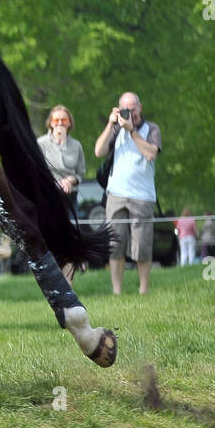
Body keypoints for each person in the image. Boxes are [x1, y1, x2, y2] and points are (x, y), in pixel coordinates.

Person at [94, 92, 161, 295]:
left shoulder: (152, 129)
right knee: (115, 244)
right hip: (116, 193)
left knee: (142, 246)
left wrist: (132, 131)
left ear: (140, 107)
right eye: (126, 109)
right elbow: (98, 151)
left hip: (142, 195)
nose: (130, 112)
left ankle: (143, 290)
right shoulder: (116, 128)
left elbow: (150, 153)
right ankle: (117, 291)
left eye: (133, 108)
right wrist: (110, 124)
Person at [37, 105, 86, 219]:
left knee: (71, 231)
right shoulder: (41, 143)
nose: (60, 123)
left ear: (69, 123)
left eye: (64, 120)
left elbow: (80, 173)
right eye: (56, 120)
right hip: (47, 195)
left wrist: (70, 180)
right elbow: (36, 170)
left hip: (70, 196)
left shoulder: (76, 145)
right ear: (50, 123)